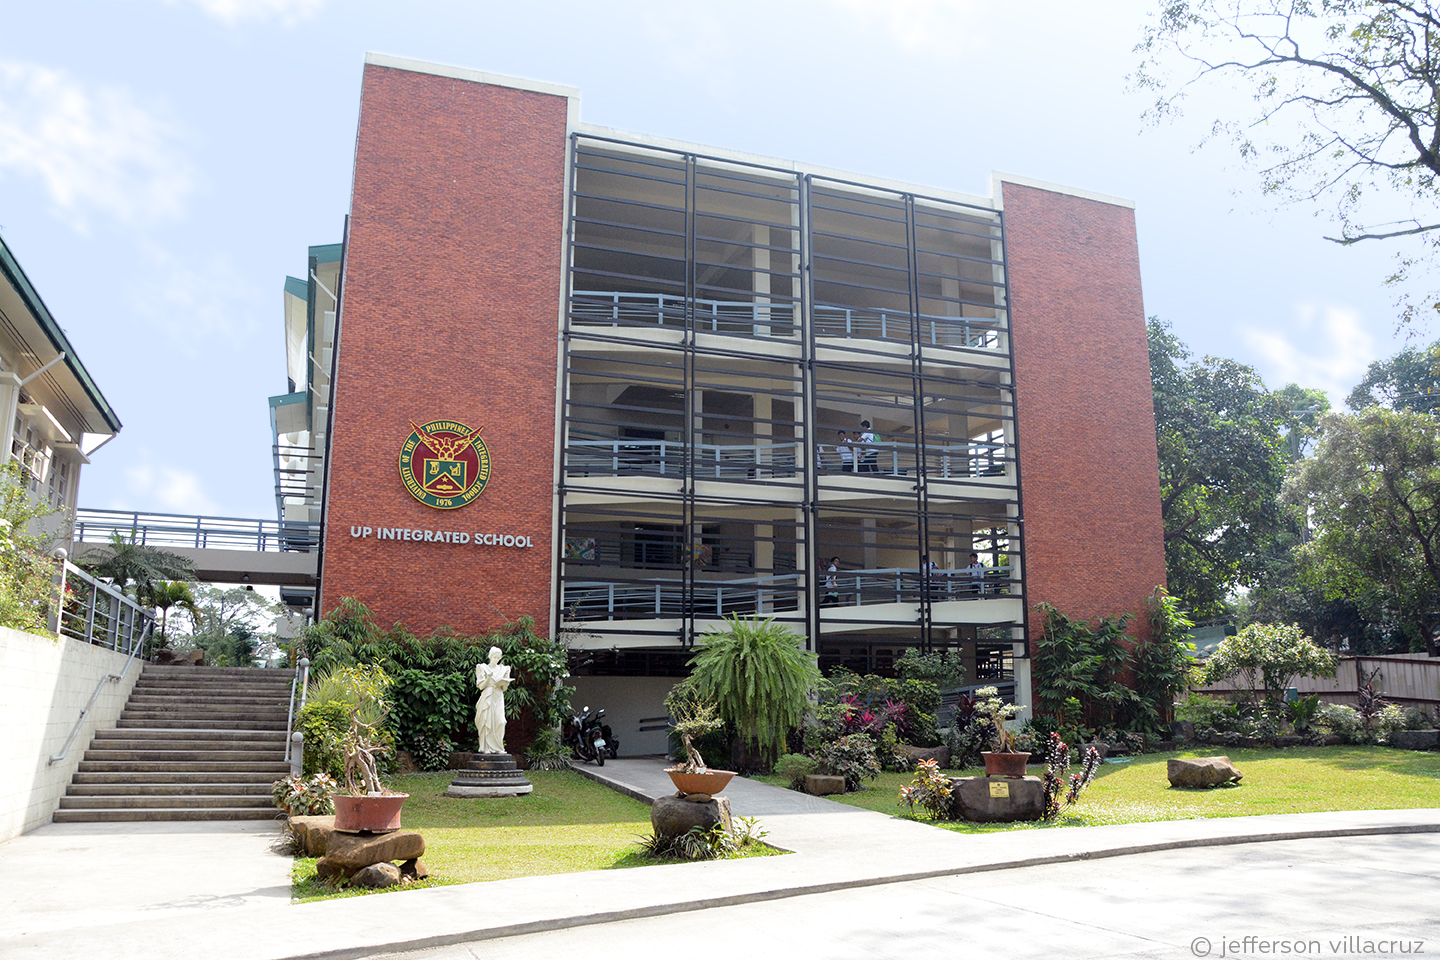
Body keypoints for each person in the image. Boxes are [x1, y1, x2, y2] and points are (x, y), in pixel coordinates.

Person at [474, 646, 513, 754]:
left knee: (500, 721)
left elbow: (504, 688)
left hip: (499, 696)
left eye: (498, 657)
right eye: (494, 657)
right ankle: (486, 747)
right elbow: (481, 686)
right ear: (490, 656)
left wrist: (504, 683)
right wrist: (488, 679)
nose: (496, 659)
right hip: (488, 695)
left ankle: (499, 747)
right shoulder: (482, 668)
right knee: (487, 721)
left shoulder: (504, 669)